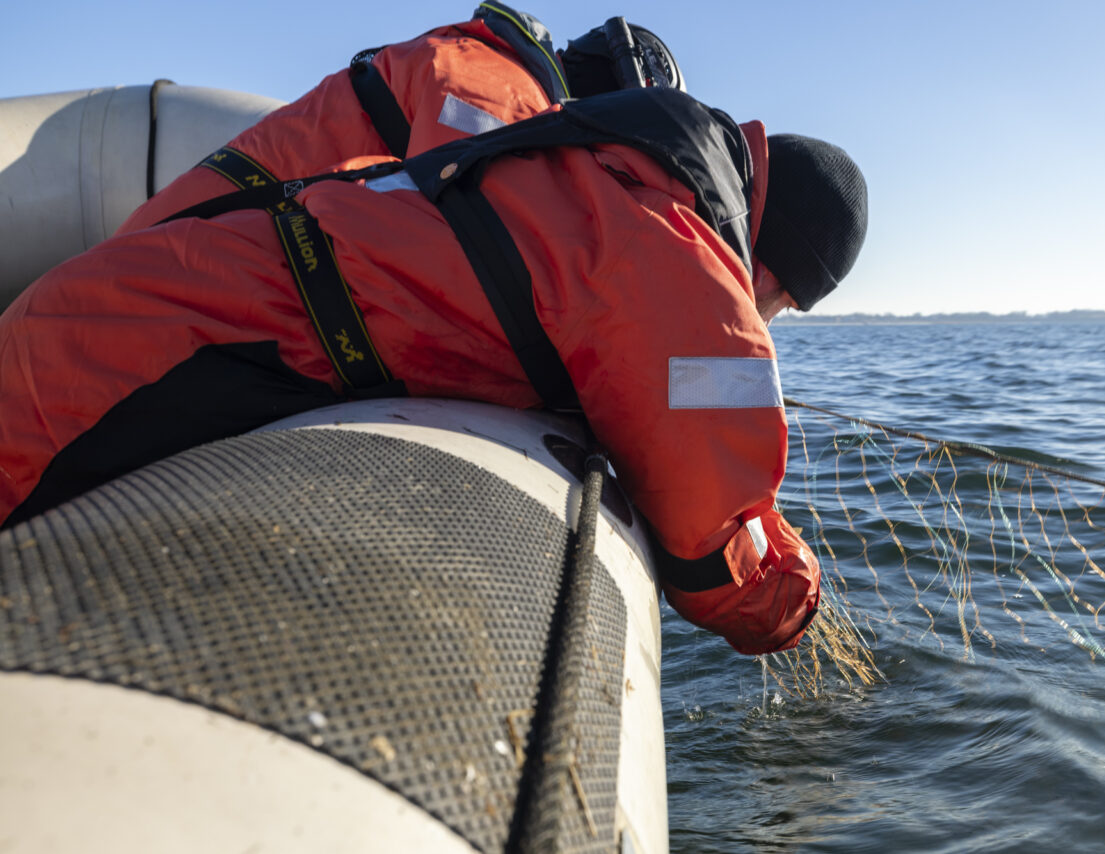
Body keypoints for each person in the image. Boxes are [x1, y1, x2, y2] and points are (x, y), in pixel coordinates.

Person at [0, 87, 867, 656]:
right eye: (782, 305)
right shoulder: (684, 268)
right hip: (150, 347)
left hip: (162, 300)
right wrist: (803, 596)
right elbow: (713, 555)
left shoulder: (614, 160)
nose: (767, 322)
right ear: (777, 270)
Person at [118, 2, 685, 232]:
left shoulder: (482, 64)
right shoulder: (498, 94)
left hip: (211, 237)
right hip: (203, 248)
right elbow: (476, 235)